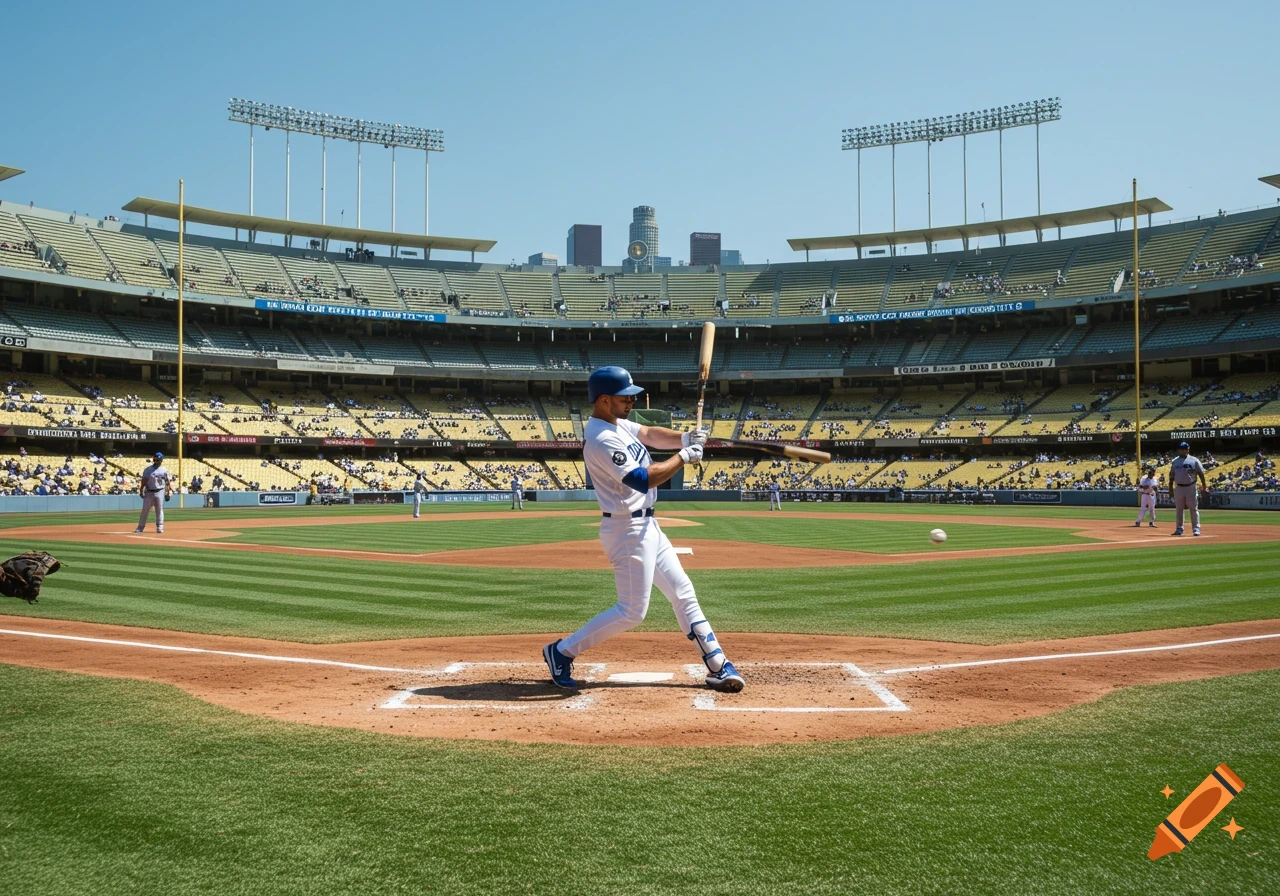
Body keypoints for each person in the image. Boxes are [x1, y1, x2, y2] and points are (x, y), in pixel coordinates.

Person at [542, 366, 744, 693]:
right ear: (604, 400)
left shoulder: (617, 423)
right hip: (627, 530)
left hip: (647, 525)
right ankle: (561, 651)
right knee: (632, 611)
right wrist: (684, 455)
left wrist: (682, 438)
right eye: (626, 397)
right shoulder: (601, 437)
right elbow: (642, 478)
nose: (631, 402)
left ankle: (718, 664)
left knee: (683, 592)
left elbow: (649, 435)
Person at [1168, 441, 1208, 536]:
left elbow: (1201, 474)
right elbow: (1171, 476)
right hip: (1179, 487)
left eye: (1183, 449)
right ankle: (1179, 528)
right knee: (1179, 509)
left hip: (1191, 486)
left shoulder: (1194, 460)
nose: (1181, 451)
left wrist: (1204, 486)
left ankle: (1196, 529)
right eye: (1180, 449)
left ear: (1187, 450)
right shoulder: (1175, 461)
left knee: (1193, 508)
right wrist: (1170, 488)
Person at [134, 451, 172, 534]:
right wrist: (141, 490)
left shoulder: (164, 470)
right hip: (149, 491)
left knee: (159, 510)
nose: (156, 462)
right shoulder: (148, 470)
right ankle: (140, 527)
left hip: (160, 491)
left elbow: (167, 482)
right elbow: (144, 481)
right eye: (155, 460)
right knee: (145, 510)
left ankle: (160, 526)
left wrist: (168, 493)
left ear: (161, 460)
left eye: (158, 460)